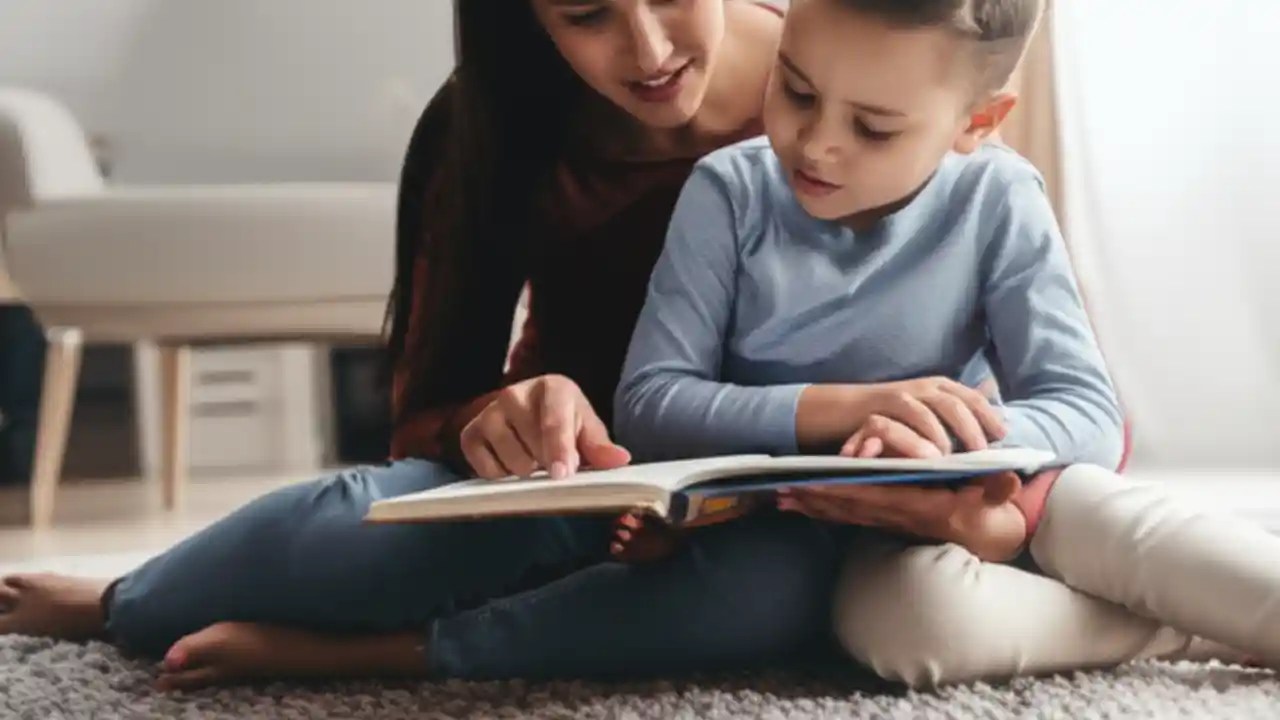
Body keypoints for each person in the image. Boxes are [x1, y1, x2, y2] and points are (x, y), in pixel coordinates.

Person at [0, 0, 1023, 691]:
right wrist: (504, 409)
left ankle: (372, 655)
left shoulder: (864, 80)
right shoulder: (487, 133)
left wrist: (971, 492)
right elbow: (424, 407)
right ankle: (129, 597)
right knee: (362, 524)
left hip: (785, 506)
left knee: (757, 599)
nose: (647, 48)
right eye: (584, 12)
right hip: (585, 475)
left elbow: (998, 337)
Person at [615, 0, 1280, 687]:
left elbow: (1086, 414)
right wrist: (855, 410)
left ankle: (1218, 596)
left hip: (982, 498)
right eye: (797, 91)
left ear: (978, 123)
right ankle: (1184, 621)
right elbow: (650, 406)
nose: (815, 143)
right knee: (911, 626)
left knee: (1096, 513)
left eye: (873, 128)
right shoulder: (729, 193)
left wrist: (946, 444)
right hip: (838, 547)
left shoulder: (997, 195)